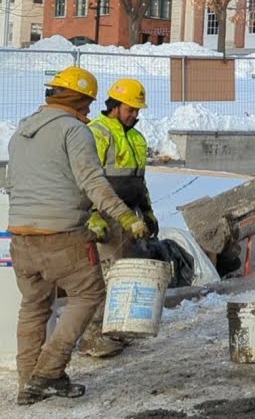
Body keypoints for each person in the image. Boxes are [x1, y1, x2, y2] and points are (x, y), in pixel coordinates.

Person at [6, 67, 149, 405]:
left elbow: (12, 183)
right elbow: (92, 182)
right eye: (86, 104)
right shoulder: (74, 131)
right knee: (88, 293)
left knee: (34, 304)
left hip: (21, 235)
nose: (88, 110)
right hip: (62, 234)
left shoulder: (21, 131)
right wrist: (126, 216)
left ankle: (29, 383)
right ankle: (49, 372)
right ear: (77, 99)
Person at [80, 77, 158, 359]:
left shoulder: (136, 138)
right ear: (114, 106)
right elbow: (86, 180)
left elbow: (139, 181)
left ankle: (111, 330)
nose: (135, 114)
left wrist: (147, 212)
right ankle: (91, 338)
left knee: (119, 278)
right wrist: (92, 216)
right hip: (104, 218)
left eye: (137, 110)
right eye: (130, 109)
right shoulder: (97, 133)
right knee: (101, 278)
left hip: (129, 219)